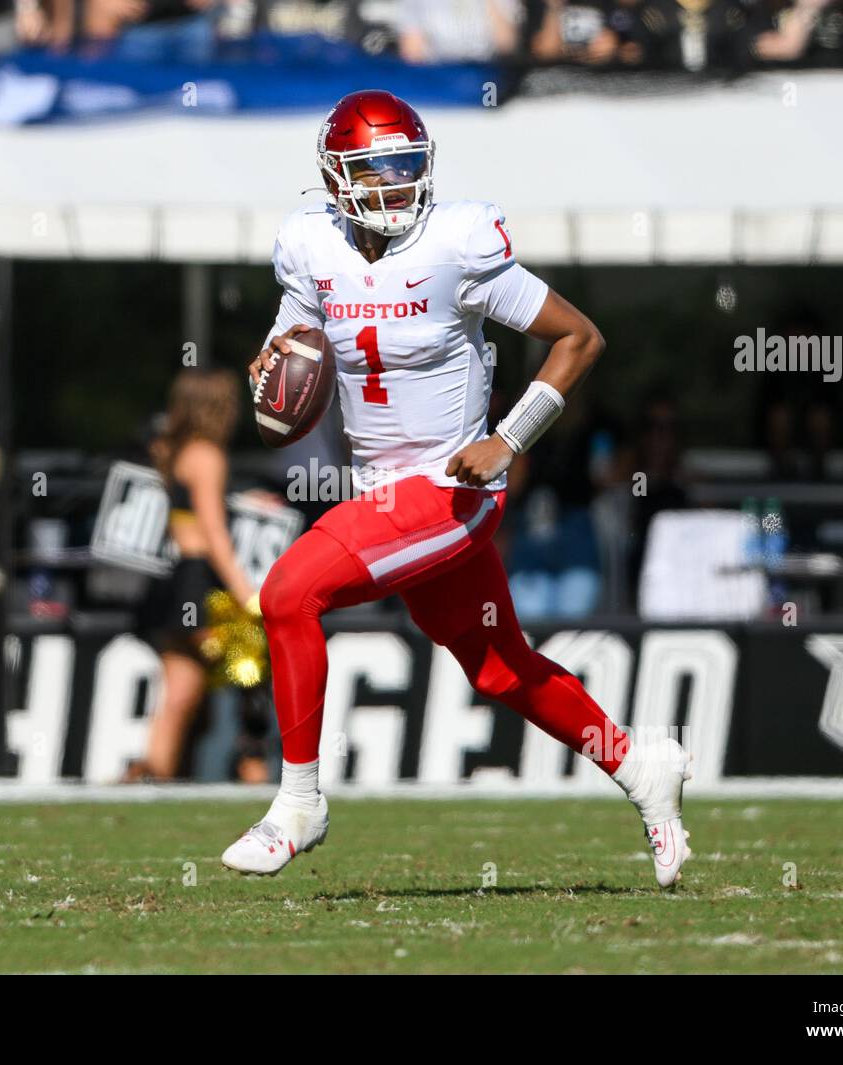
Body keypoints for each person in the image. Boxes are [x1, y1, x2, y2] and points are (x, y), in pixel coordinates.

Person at [224, 90, 691, 888]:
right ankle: (638, 763)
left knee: (287, 593)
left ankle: (299, 800)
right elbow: (290, 344)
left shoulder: (457, 244)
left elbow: (579, 337)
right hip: (383, 493)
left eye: (409, 165)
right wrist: (269, 377)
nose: (399, 184)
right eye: (378, 169)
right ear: (337, 178)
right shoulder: (310, 247)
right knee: (499, 667)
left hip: (449, 491)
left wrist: (509, 438)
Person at [133, 368, 259, 781]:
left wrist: (243, 499)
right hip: (198, 580)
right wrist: (246, 593)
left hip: (173, 578)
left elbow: (192, 510)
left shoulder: (172, 449)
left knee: (182, 691)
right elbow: (214, 533)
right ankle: (252, 767)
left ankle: (155, 771)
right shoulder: (207, 454)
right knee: (249, 668)